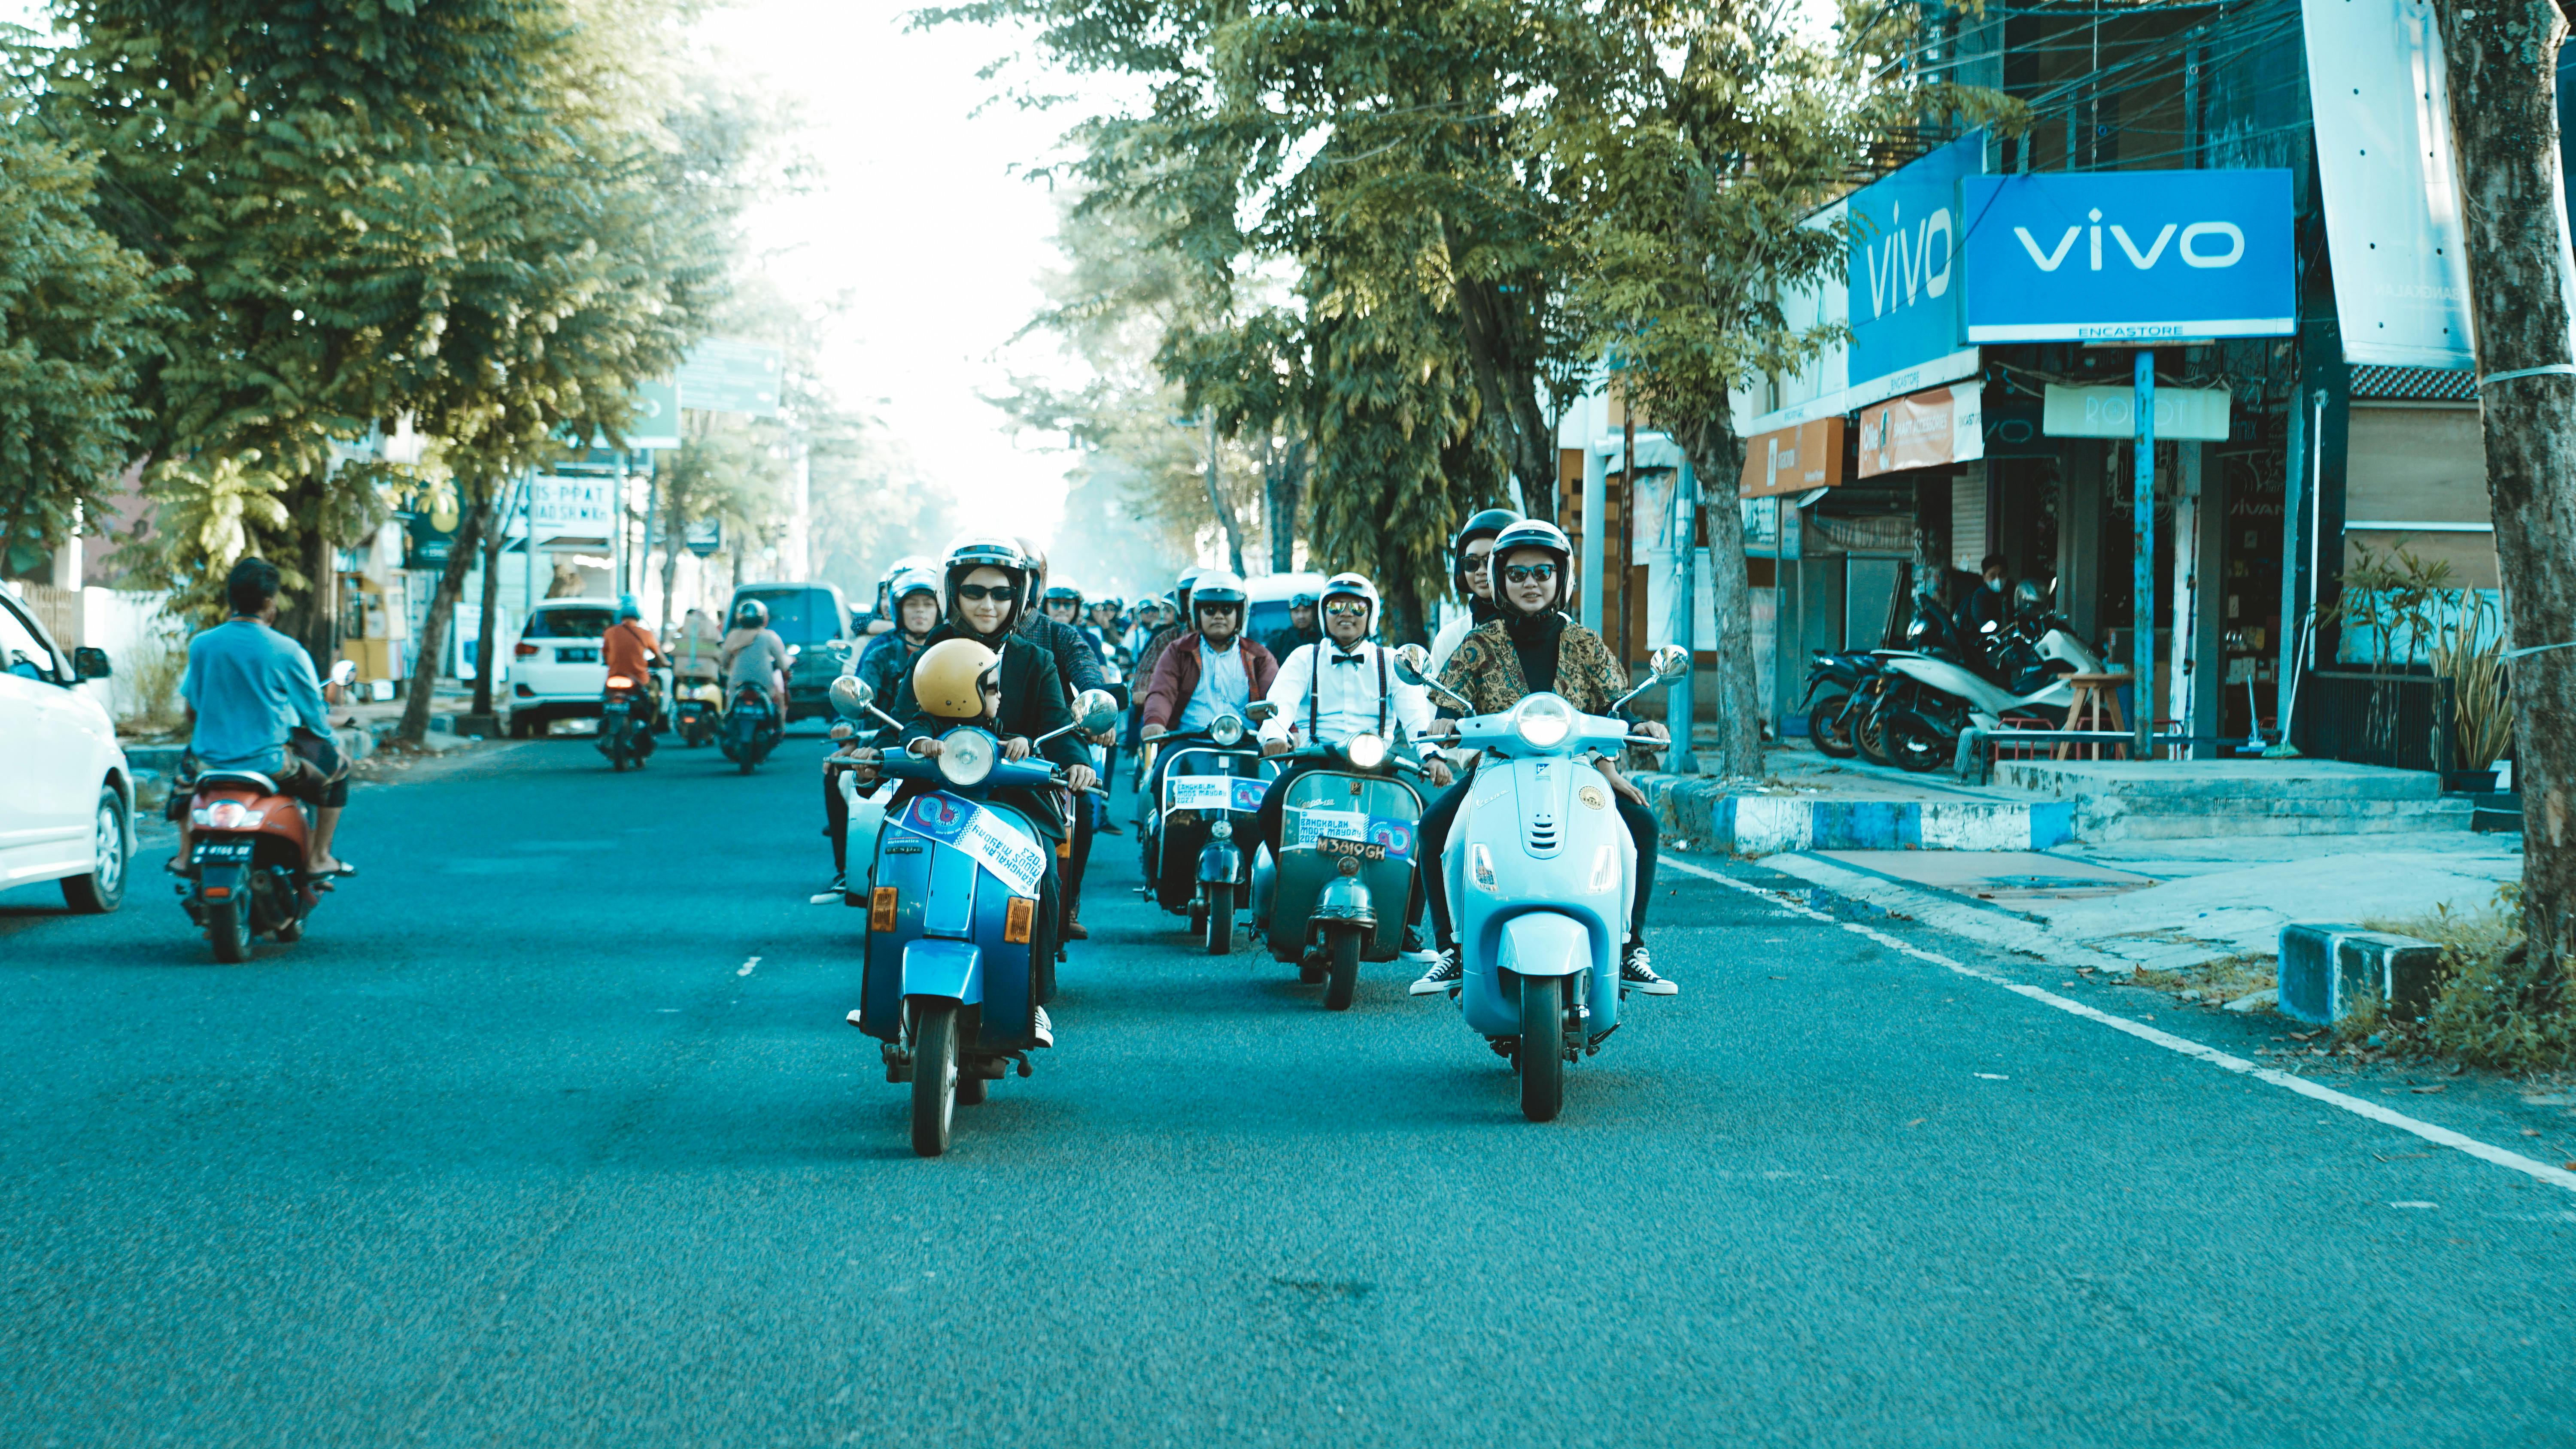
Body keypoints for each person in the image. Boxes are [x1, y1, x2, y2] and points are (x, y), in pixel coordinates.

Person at [1409, 519, 1677, 998]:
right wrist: (1444, 723)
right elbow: (1448, 706)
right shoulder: (1479, 643)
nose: (1530, 583)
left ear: (1561, 578)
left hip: (1577, 769)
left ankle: (1631, 947)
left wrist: (1641, 728)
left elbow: (1616, 704)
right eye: (1517, 574)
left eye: (1541, 572)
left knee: (1637, 830)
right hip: (1495, 769)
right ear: (1500, 579)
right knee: (1438, 834)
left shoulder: (1585, 642)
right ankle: (1452, 949)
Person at [872, 635, 1080, 1049]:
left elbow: (1011, 744)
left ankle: (1034, 997)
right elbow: (913, 729)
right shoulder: (929, 723)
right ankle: (880, 989)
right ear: (958, 694)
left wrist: (1023, 746)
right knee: (888, 876)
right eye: (992, 688)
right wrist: (917, 746)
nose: (1001, 695)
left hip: (998, 816)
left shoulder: (997, 724)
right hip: (933, 814)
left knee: (1043, 881)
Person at [1251, 571, 1451, 866]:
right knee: (1270, 807)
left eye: (1357, 608)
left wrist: (1432, 755)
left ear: (1370, 614)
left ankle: (1405, 912)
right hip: (1315, 763)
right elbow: (1282, 701)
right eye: (1335, 607)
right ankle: (1286, 891)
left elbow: (1416, 718)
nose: (1346, 614)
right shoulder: (1306, 657)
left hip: (1378, 767)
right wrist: (1275, 735)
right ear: (1324, 614)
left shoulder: (1391, 660)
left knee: (1426, 832)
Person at [172, 557, 353, 878]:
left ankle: (185, 855)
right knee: (340, 767)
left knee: (183, 781)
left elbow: (191, 712)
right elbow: (314, 717)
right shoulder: (288, 649)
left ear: (231, 599)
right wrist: (329, 728)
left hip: (209, 763)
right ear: (270, 603)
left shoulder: (202, 645)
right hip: (269, 764)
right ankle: (319, 858)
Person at [818, 567, 942, 896]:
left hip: (944, 748)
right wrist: (846, 726)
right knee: (838, 772)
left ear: (940, 609)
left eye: (928, 605)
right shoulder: (882, 651)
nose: (920, 611)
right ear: (898, 611)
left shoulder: (954, 649)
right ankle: (847, 870)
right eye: (912, 604)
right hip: (883, 744)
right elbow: (862, 691)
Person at [1014, 539, 1110, 940]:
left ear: (1039, 583)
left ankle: (1067, 898)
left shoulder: (1059, 636)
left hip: (1048, 746)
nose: (1002, 594)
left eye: (1021, 579)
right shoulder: (951, 636)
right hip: (968, 754)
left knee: (1083, 808)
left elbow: (1087, 671)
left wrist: (1096, 705)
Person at [1137, 569, 1279, 803]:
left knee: (1278, 789)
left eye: (1227, 609)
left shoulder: (1259, 655)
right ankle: (1164, 836)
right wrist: (1155, 722)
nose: (1219, 616)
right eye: (1210, 610)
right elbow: (1163, 692)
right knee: (1160, 779)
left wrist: (1282, 735)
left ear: (1239, 613)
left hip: (1247, 743)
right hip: (1188, 742)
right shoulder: (1177, 651)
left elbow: (1276, 700)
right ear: (1197, 613)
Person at [1427, 507, 1522, 674]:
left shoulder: (1555, 628)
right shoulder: (1452, 637)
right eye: (1471, 562)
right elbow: (1437, 699)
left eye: (1490, 560)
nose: (1480, 571)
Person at [601, 595, 665, 737]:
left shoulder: (610, 632)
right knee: (654, 696)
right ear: (638, 618)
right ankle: (652, 725)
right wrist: (666, 664)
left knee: (605, 698)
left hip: (614, 677)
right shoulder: (646, 634)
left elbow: (605, 654)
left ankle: (604, 727)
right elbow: (659, 656)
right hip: (639, 679)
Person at [719, 597, 792, 715]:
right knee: (779, 700)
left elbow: (723, 662)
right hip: (764, 683)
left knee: (730, 710)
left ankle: (727, 723)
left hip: (738, 682)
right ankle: (780, 729)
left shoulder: (733, 636)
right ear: (762, 618)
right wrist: (785, 669)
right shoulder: (769, 637)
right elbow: (782, 663)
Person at [1958, 552, 2013, 642]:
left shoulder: (2012, 589)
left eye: (2002, 575)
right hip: (1986, 645)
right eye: (1992, 576)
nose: (1998, 580)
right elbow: (1983, 624)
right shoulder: (1980, 597)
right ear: (1984, 577)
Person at [1261, 590, 1322, 664]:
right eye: (1296, 612)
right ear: (1291, 614)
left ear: (1313, 613)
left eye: (1305, 611)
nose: (1301, 616)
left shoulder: (1323, 640)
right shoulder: (1279, 642)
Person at [673, 606, 723, 689]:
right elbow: (720, 643)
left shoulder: (685, 629)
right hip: (706, 672)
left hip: (687, 672)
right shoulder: (710, 627)